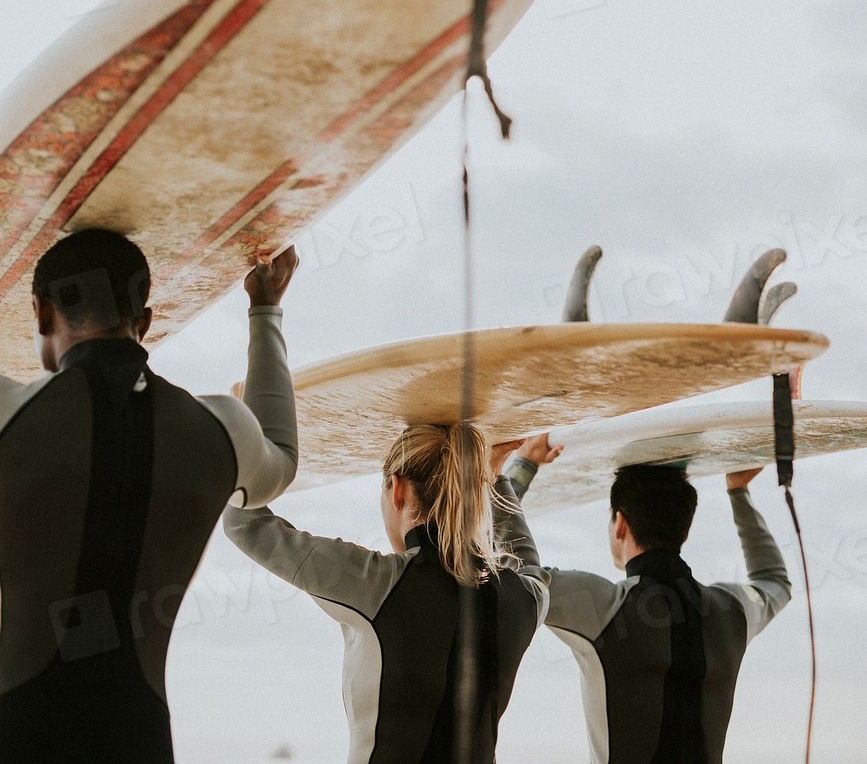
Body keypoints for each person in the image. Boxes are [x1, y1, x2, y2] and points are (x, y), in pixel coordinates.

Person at [0, 226, 300, 764]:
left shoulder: (8, 416)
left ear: (43, 314)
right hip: (138, 737)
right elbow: (281, 454)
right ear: (144, 321)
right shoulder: (222, 430)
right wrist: (265, 308)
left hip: (18, 731)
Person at [224, 421, 550, 764]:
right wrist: (496, 477)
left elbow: (243, 522)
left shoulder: (376, 583)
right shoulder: (523, 599)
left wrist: (251, 425)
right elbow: (528, 563)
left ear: (397, 490)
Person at [506, 438, 791, 764]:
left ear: (620, 524)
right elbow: (774, 580)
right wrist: (738, 490)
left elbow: (518, 573)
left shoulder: (603, 609)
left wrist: (522, 466)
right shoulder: (733, 611)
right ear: (685, 532)